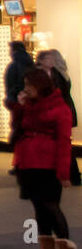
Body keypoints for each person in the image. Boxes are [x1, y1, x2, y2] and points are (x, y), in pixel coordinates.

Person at [11, 67, 75, 249]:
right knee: (38, 207)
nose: (26, 89)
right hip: (28, 162)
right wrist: (19, 107)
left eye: (29, 85)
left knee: (51, 205)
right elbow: (18, 127)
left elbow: (65, 142)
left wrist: (64, 173)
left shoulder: (59, 107)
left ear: (40, 86)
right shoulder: (29, 105)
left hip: (47, 164)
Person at [37, 49, 79, 186]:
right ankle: (71, 174)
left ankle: (69, 174)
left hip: (60, 111)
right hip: (66, 109)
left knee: (62, 144)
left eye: (51, 59)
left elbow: (56, 94)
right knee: (65, 143)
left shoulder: (56, 75)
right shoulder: (63, 73)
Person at [4, 40, 34, 110]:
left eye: (10, 50)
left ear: (14, 50)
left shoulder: (15, 65)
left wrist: (11, 97)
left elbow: (12, 84)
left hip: (17, 99)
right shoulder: (30, 62)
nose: (9, 53)